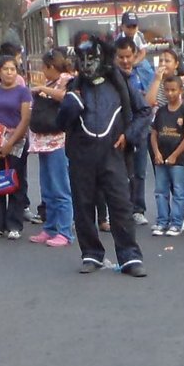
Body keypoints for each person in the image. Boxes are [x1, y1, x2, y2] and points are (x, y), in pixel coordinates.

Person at [60, 33, 149, 276]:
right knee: (84, 206)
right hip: (81, 155)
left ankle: (130, 256)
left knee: (121, 204)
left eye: (92, 58)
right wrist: (69, 105)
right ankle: (91, 254)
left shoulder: (120, 84)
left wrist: (128, 136)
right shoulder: (73, 88)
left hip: (113, 154)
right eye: (83, 58)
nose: (88, 64)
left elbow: (144, 112)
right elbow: (59, 123)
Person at [27, 47, 74, 248]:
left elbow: (67, 98)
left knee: (60, 187)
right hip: (43, 141)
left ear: (51, 66)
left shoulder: (67, 80)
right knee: (47, 188)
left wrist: (44, 90)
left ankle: (64, 231)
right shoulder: (50, 82)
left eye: (44, 67)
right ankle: (50, 227)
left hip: (58, 141)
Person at [0, 56, 32, 239]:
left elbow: (25, 119)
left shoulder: (23, 92)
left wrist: (9, 144)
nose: (9, 72)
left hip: (16, 141)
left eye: (13, 69)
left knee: (16, 181)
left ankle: (14, 225)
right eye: (6, 69)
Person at [115, 37, 155, 225]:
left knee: (139, 173)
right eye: (121, 57)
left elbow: (149, 103)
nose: (125, 61)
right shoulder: (112, 78)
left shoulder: (143, 73)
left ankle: (138, 209)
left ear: (134, 55)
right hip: (116, 133)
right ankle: (119, 209)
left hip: (139, 132)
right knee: (117, 174)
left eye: (128, 56)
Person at [147, 74, 184, 238]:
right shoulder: (160, 112)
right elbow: (154, 134)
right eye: (167, 90)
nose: (170, 93)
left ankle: (176, 223)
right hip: (161, 159)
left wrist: (175, 155)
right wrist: (157, 153)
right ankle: (162, 221)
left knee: (179, 191)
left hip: (178, 160)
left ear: (180, 90)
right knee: (160, 191)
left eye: (173, 90)